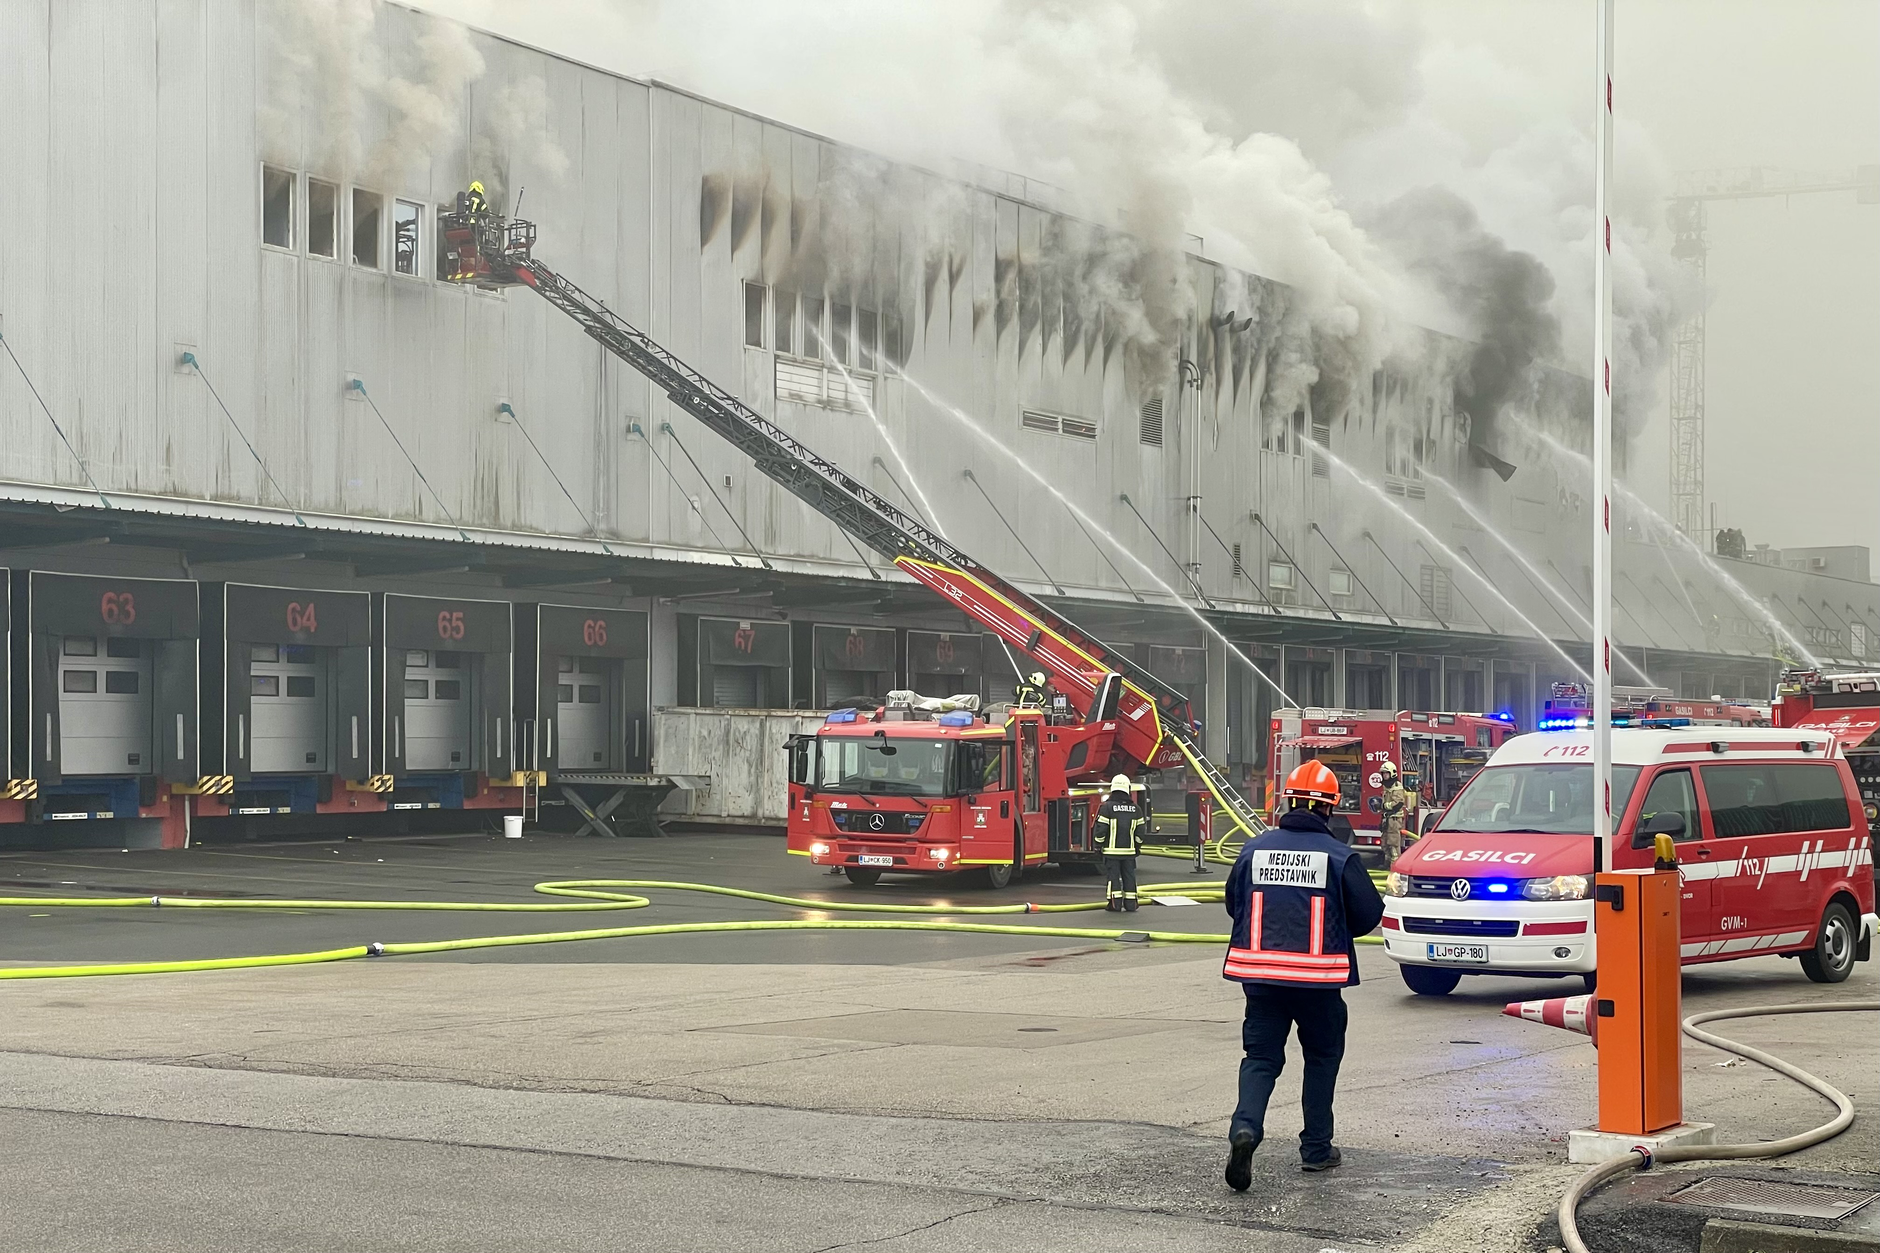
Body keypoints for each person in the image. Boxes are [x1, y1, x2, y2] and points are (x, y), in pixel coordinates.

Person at [1221, 759, 1385, 1187]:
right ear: (1330, 807)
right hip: (1318, 982)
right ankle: (1315, 1150)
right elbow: (1369, 914)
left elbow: (1233, 904)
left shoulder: (1253, 849)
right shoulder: (1339, 856)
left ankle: (1246, 1129)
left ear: (1287, 801)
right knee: (1322, 1059)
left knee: (1260, 1058)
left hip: (1260, 980)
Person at [1093, 774, 1146, 912]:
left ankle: (1115, 904)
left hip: (1111, 852)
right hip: (1129, 852)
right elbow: (1140, 832)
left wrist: (1098, 845)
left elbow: (1101, 830)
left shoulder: (1107, 808)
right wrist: (1137, 847)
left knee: (1113, 877)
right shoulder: (1136, 809)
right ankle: (1131, 904)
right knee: (1129, 876)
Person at [1378, 760, 1410, 864]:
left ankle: (1395, 865)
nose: (1384, 775)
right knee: (1385, 843)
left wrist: (1383, 806)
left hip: (1394, 820)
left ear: (1392, 773)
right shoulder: (1387, 786)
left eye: (1386, 773)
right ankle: (1387, 863)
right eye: (1383, 773)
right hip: (1387, 819)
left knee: (1393, 843)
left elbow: (1398, 804)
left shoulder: (1397, 786)